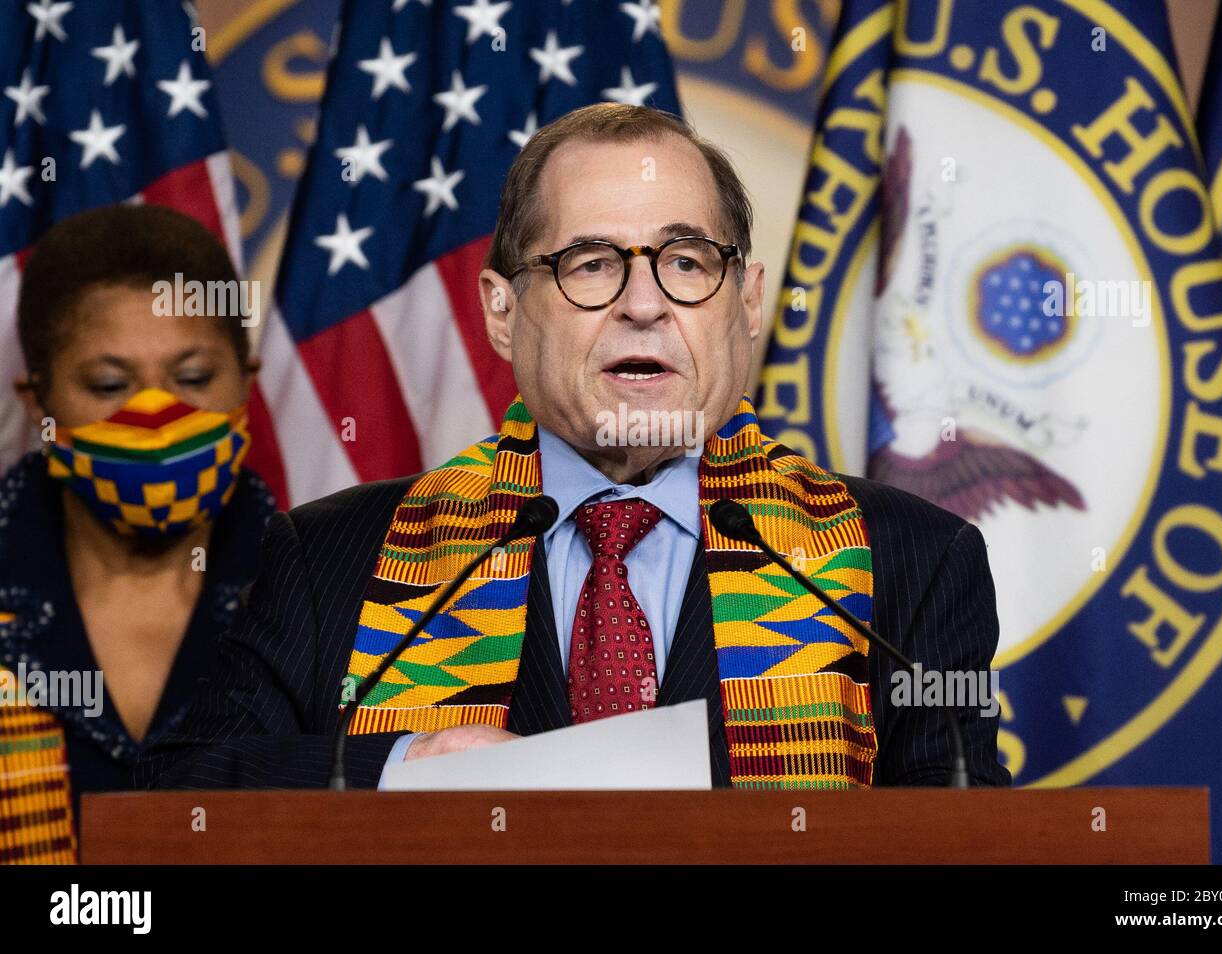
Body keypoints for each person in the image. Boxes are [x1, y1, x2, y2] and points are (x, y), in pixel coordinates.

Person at [145, 103, 1010, 791]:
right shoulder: (328, 560)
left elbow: (969, 849)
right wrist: (406, 770)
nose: (643, 304)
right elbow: (179, 802)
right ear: (501, 311)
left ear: (746, 302)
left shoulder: (913, 563)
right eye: (591, 263)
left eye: (686, 259)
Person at [0, 205, 274, 863]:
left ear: (246, 381)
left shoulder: (337, 596)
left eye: (193, 378)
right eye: (109, 384)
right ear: (37, 402)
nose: (155, 417)